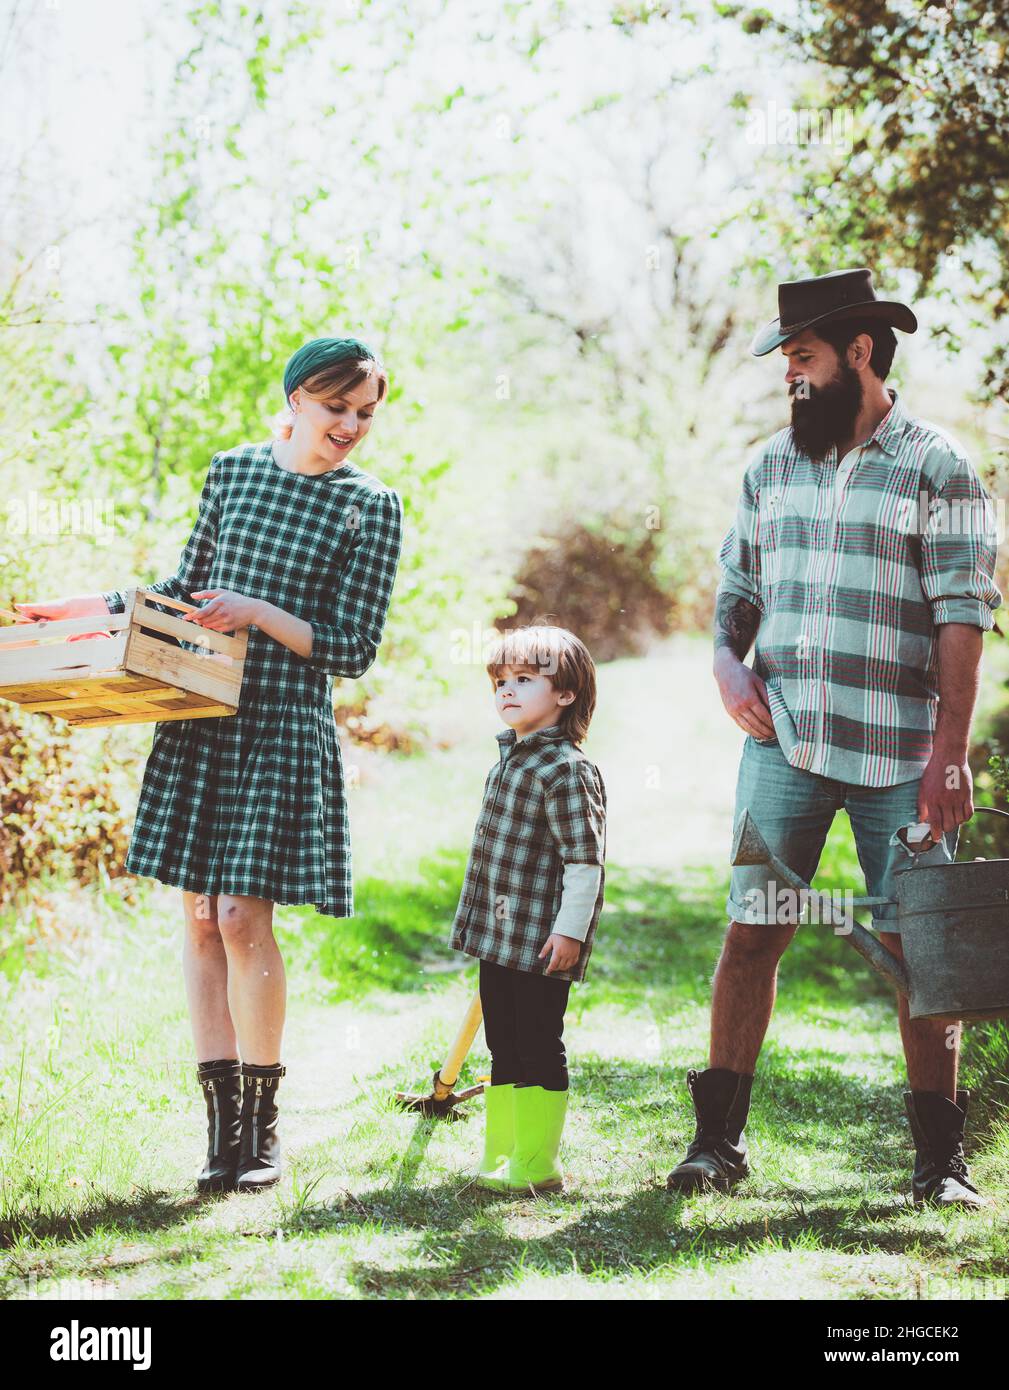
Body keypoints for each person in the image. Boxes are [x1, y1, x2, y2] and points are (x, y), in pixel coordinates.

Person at [14, 336, 404, 1194]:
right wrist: (87, 608)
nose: (350, 426)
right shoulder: (231, 471)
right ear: (297, 397)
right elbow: (187, 586)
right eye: (336, 407)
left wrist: (259, 610)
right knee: (197, 917)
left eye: (365, 414)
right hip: (202, 716)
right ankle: (219, 1135)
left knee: (238, 916)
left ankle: (261, 1133)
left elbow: (350, 647)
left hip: (281, 724)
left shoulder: (370, 506)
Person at [666, 267, 1002, 1207]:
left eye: (803, 357)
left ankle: (940, 1163)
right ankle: (715, 1146)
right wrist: (728, 667)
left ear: (859, 352)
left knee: (919, 947)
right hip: (785, 748)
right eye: (786, 360)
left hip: (903, 757)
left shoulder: (939, 467)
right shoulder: (768, 465)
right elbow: (736, 590)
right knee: (751, 931)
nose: (790, 376)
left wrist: (949, 752)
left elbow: (962, 618)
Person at [448, 624, 607, 1195]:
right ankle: (502, 1155)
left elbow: (584, 861)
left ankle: (539, 1165)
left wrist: (571, 933)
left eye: (524, 679)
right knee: (504, 1042)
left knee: (540, 1042)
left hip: (541, 939)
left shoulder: (566, 768)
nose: (507, 691)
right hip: (500, 937)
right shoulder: (511, 760)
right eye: (500, 681)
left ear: (565, 693)